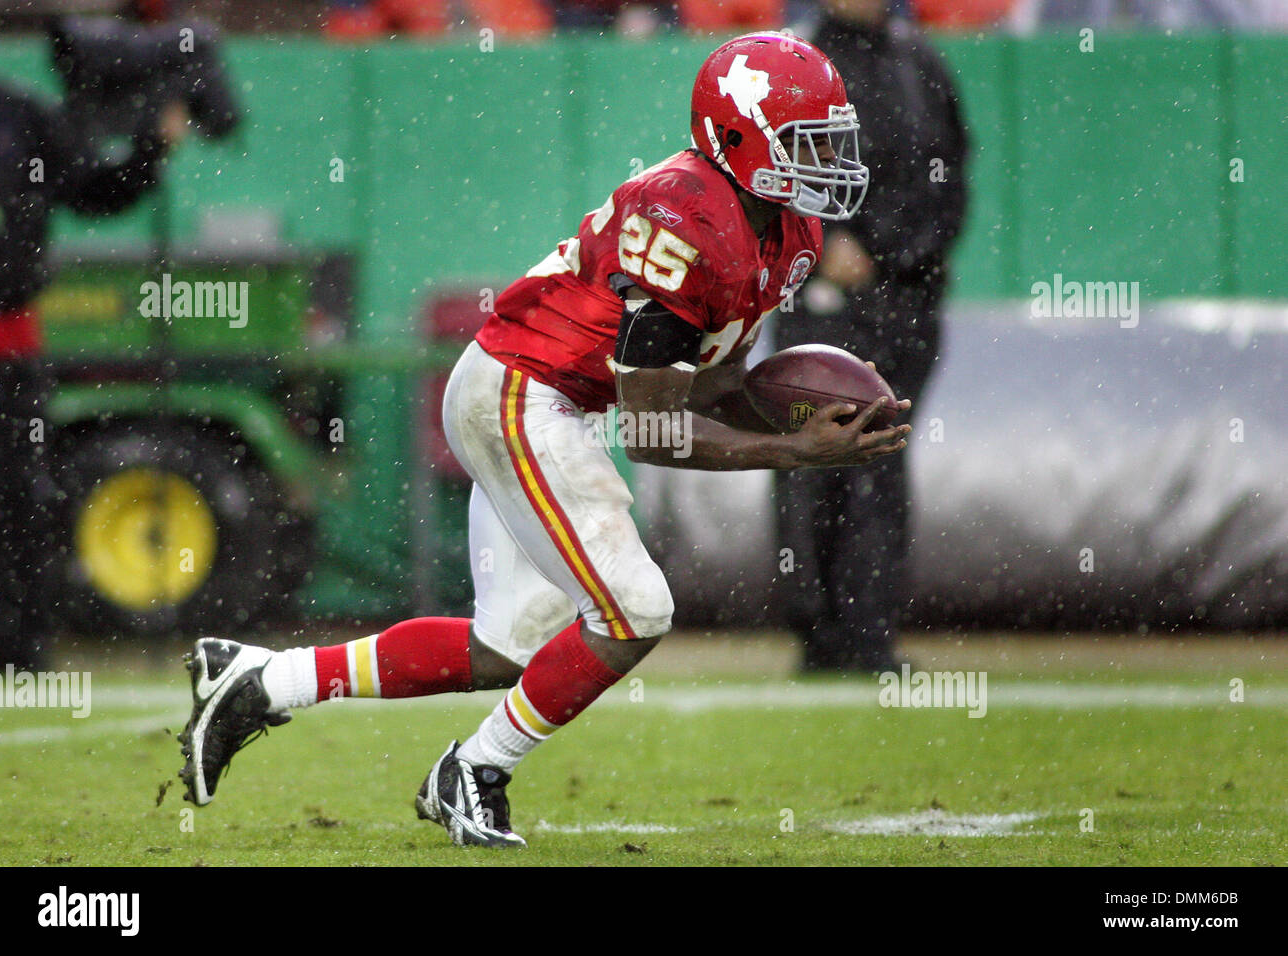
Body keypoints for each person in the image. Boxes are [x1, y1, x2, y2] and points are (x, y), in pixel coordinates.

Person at [178, 31, 912, 849]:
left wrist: (805, 421)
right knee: (636, 610)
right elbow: (655, 431)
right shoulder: (685, 217)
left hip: (557, 402)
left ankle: (259, 680)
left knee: (507, 644)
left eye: (830, 141)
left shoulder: (789, 237)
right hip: (523, 393)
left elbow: (713, 385)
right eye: (806, 141)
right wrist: (792, 452)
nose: (827, 162)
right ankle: (475, 771)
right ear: (738, 137)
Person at [0, 10, 188, 670]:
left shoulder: (22, 118)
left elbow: (96, 194)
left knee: (15, 504)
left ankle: (13, 657)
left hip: (6, 357)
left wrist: (153, 150)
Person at [775, 0, 967, 673]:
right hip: (826, 305)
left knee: (881, 467)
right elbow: (769, 173)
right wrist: (822, 243)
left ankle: (871, 632)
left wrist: (910, 258)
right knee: (817, 464)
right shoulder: (796, 65)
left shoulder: (922, 62)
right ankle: (818, 631)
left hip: (906, 303)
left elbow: (953, 173)